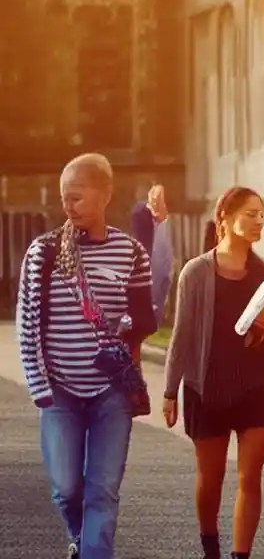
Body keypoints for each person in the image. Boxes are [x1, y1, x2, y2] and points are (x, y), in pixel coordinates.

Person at [15, 153, 157, 559]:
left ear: (105, 195)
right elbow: (27, 323)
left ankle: (94, 551)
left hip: (111, 393)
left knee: (103, 489)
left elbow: (145, 318)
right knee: (66, 487)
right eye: (64, 197)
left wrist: (125, 325)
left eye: (76, 197)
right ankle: (80, 538)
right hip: (59, 391)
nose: (68, 206)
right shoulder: (43, 253)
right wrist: (39, 387)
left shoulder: (131, 253)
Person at [162, 187, 264, 559]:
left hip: (258, 382)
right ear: (226, 218)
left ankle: (241, 556)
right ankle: (210, 548)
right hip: (209, 385)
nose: (259, 221)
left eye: (262, 215)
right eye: (251, 214)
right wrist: (171, 391)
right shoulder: (195, 272)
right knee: (211, 477)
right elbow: (182, 335)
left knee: (250, 477)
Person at [131, 183, 174, 324]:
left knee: (164, 284)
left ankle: (158, 316)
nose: (158, 201)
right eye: (156, 197)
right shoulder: (141, 211)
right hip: (150, 256)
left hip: (164, 256)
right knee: (154, 286)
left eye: (160, 198)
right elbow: (139, 236)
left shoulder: (167, 220)